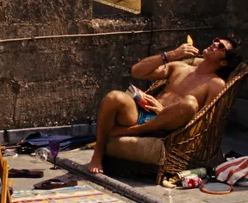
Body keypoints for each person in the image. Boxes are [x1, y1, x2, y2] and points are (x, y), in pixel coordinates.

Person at [87, 36, 239, 174]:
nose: (215, 44)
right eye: (216, 40)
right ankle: (98, 154)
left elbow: (205, 119)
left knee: (190, 102)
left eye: (221, 47)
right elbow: (137, 71)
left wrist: (164, 112)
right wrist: (171, 55)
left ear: (223, 62)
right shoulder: (179, 67)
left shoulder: (216, 84)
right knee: (113, 97)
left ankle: (132, 131)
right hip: (143, 114)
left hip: (169, 129)